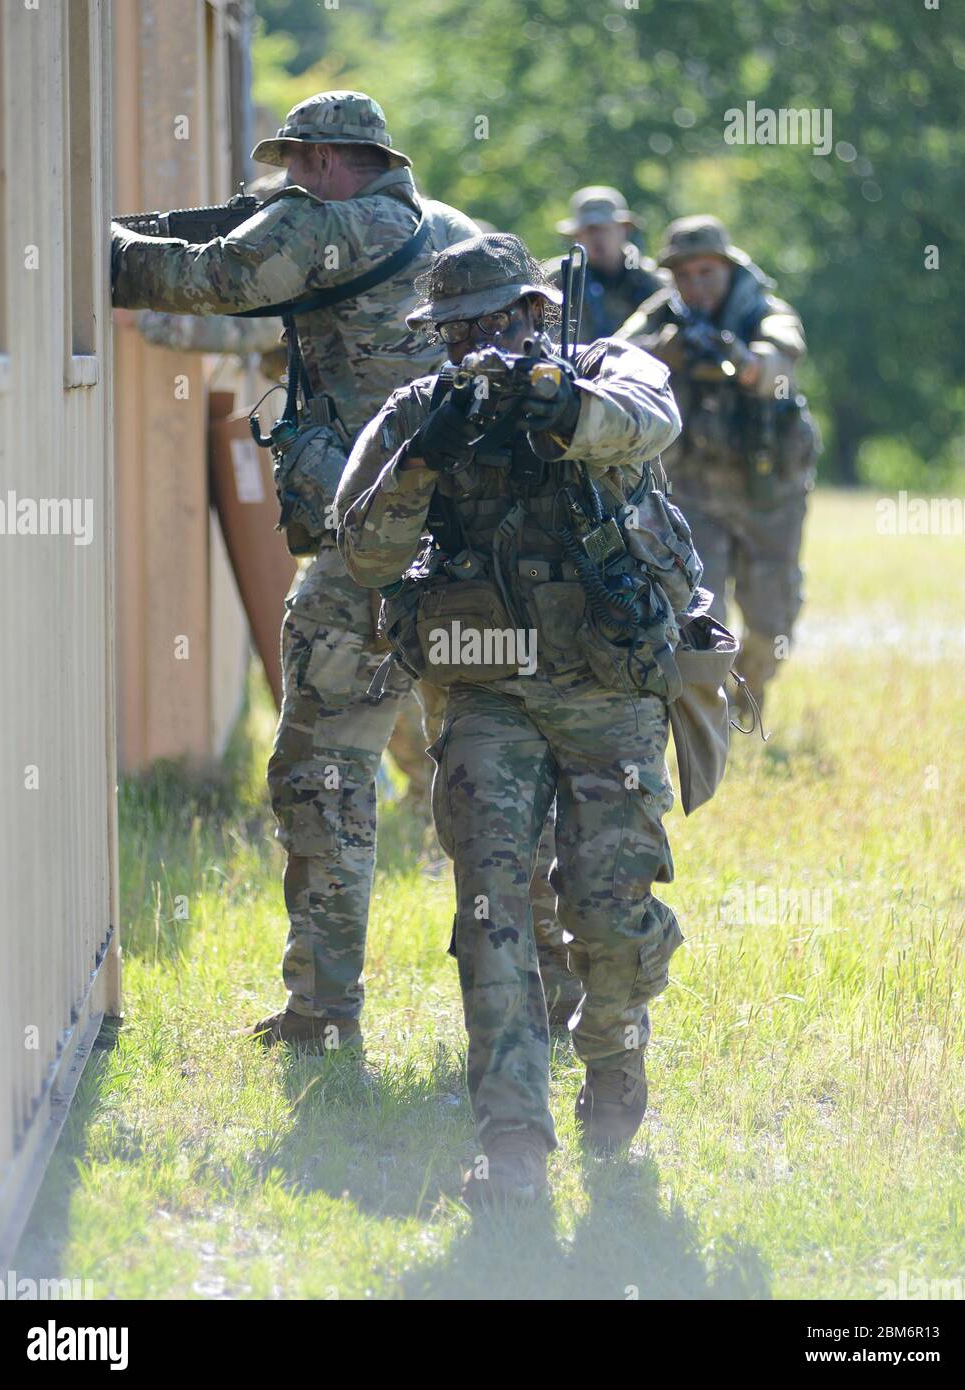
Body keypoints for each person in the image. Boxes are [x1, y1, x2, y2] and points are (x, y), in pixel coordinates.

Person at [111, 90, 480, 1054]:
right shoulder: (451, 229)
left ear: (320, 160)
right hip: (486, 553)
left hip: (373, 551)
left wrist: (76, 240)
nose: (282, 183)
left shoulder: (324, 220)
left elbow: (207, 278)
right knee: (496, 778)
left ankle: (321, 1011)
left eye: (292, 166)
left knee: (322, 772)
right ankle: (545, 998)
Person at [335, 234, 698, 1204]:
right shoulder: (424, 412)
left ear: (538, 312)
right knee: (493, 910)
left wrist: (557, 406)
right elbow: (362, 550)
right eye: (457, 333)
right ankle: (511, 1146)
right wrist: (426, 453)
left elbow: (650, 415)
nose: (477, 347)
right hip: (484, 690)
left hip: (603, 684)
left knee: (605, 915)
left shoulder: (601, 368)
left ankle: (613, 1047)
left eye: (496, 324)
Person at [620, 216, 819, 713]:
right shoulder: (664, 312)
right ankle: (712, 715)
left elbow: (784, 352)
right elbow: (613, 355)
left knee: (772, 620)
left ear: (729, 268)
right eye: (684, 275)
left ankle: (751, 691)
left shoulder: (763, 309)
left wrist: (749, 364)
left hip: (768, 491)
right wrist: (662, 353)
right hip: (693, 491)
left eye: (706, 272)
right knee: (700, 614)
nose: (696, 285)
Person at [546, 186, 665, 342]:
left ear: (624, 229)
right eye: (588, 231)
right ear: (577, 236)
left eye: (603, 229)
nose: (596, 238)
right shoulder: (558, 281)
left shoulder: (651, 281)